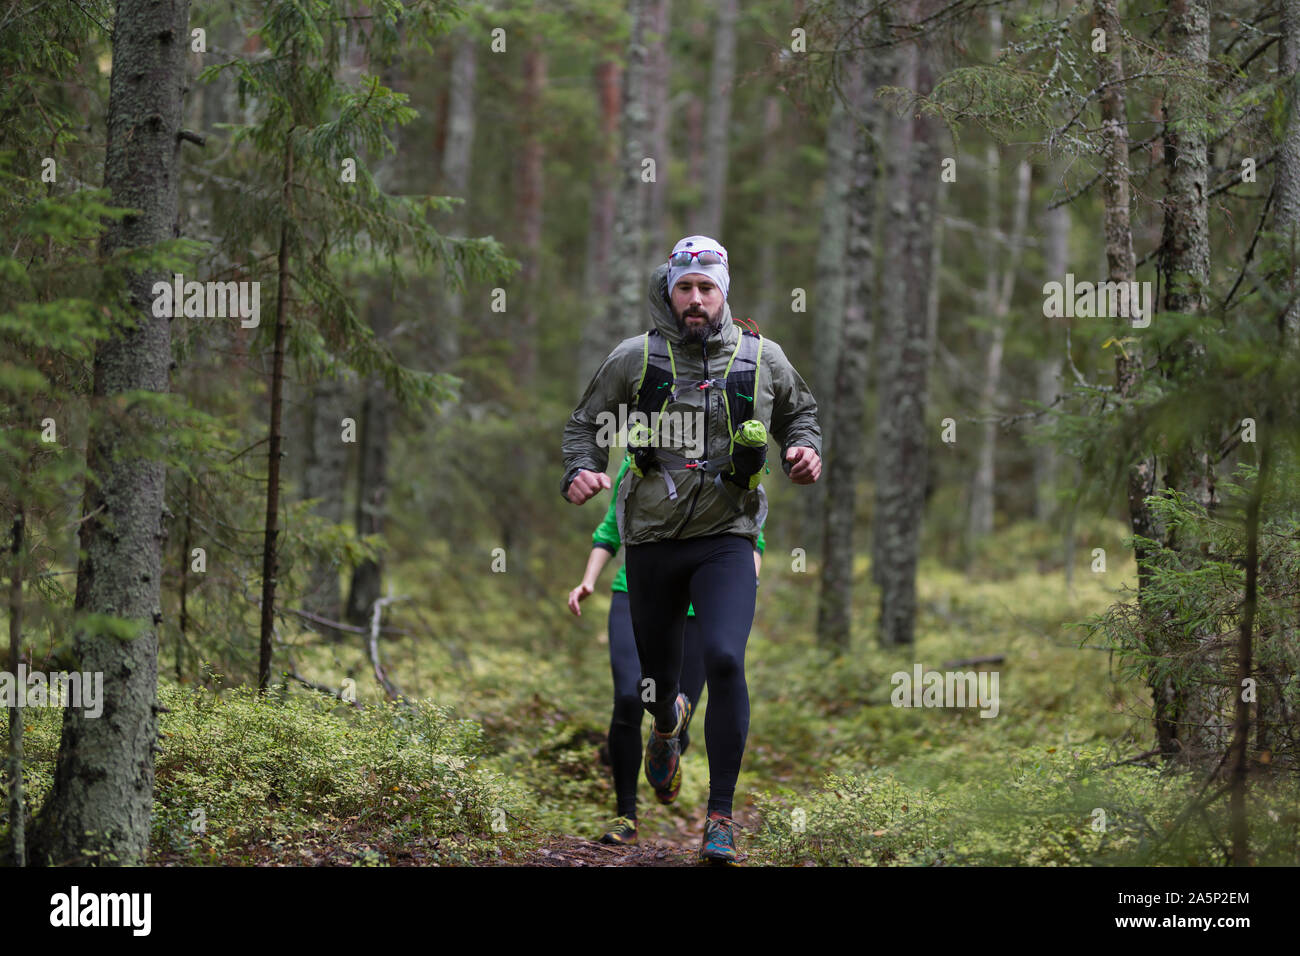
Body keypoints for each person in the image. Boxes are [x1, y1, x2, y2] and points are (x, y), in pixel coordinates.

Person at [561, 235, 821, 864]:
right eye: (686, 288)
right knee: (655, 686)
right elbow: (583, 425)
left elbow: (801, 414)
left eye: (708, 287)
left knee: (727, 660)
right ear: (669, 292)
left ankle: (721, 817)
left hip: (727, 538)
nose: (697, 299)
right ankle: (665, 726)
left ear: (724, 290)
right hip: (649, 542)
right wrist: (580, 470)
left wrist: (804, 451)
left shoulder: (763, 359)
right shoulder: (635, 359)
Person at [568, 453, 766, 846]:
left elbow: (752, 540)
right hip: (635, 593)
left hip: (698, 607)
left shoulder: (729, 453)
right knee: (629, 696)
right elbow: (611, 529)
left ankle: (667, 740)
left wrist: (741, 588)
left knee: (677, 707)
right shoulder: (638, 461)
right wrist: (588, 581)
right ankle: (625, 815)